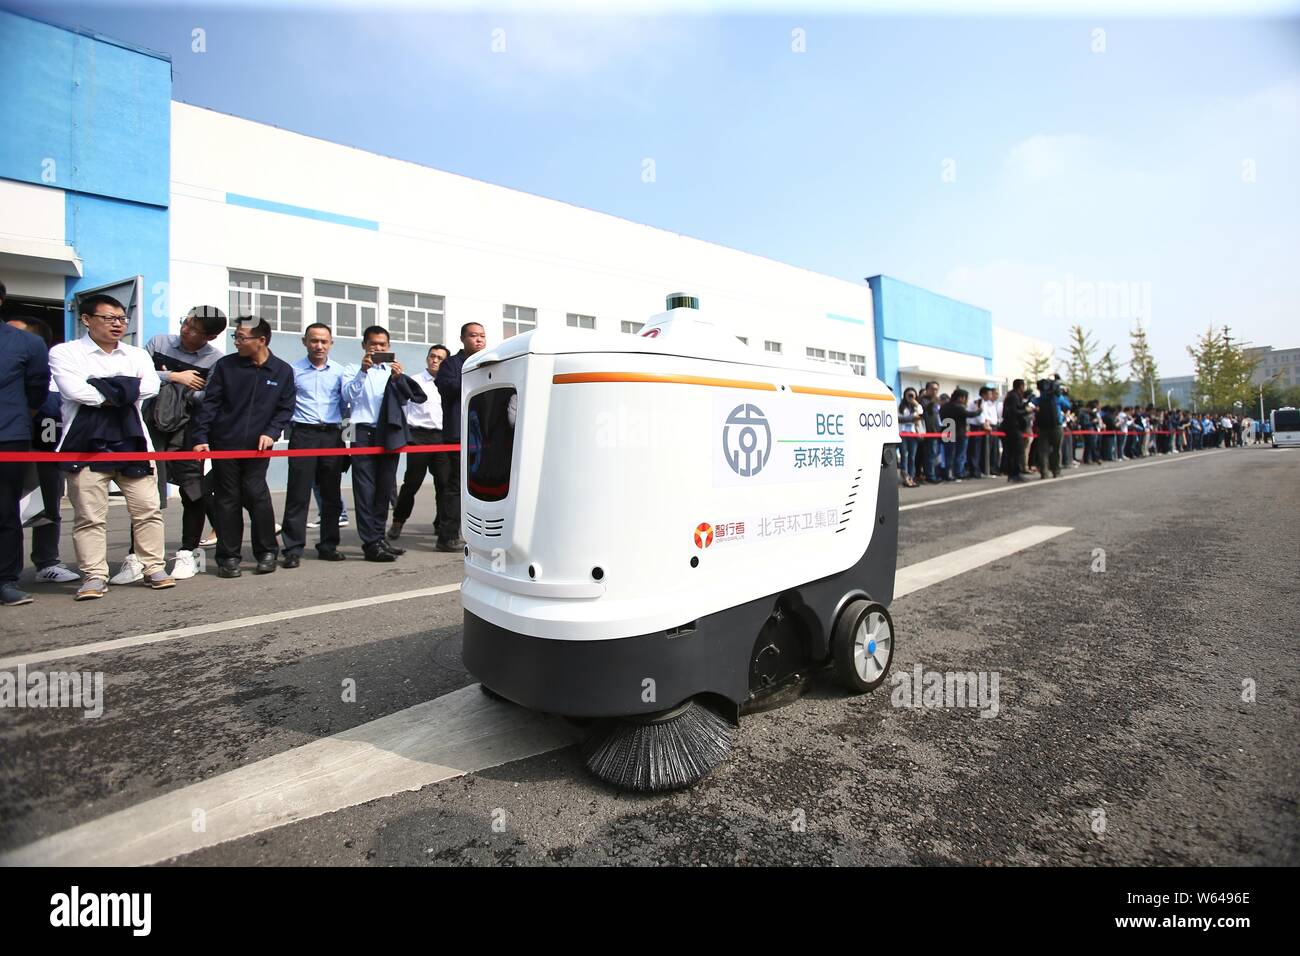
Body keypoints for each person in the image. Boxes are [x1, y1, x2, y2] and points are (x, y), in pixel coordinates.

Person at [49, 294, 174, 598]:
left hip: (133, 442)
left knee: (147, 510)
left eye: (121, 319)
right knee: (90, 515)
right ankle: (93, 575)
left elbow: (150, 387)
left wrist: (102, 386)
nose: (117, 324)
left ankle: (153, 567)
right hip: (85, 444)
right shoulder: (65, 353)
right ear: (87, 320)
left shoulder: (135, 354)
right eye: (109, 318)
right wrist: (123, 389)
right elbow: (76, 391)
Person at [110, 305, 228, 583]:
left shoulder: (215, 360)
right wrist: (174, 377)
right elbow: (138, 378)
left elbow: (208, 398)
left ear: (209, 337)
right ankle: (138, 557)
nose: (185, 330)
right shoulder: (159, 343)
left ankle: (189, 551)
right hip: (149, 427)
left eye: (194, 329)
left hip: (187, 431)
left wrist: (183, 391)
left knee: (193, 492)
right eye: (185, 323)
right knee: (144, 493)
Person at [192, 318, 295, 578]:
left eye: (241, 337)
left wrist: (271, 433)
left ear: (261, 340)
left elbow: (285, 409)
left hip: (258, 448)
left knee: (256, 494)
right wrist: (201, 437)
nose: (236, 342)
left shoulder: (281, 371)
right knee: (227, 499)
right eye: (235, 337)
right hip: (225, 443)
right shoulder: (226, 366)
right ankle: (228, 557)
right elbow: (210, 404)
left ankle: (267, 551)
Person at [7, 317, 81, 586]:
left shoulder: (58, 375)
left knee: (47, 509)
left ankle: (47, 561)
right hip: (11, 448)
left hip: (45, 454)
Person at [279, 322, 353, 567]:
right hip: (303, 435)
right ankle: (292, 548)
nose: (319, 345)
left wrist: (346, 441)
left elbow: (346, 408)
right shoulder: (293, 371)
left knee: (331, 493)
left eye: (324, 341)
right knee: (298, 493)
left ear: (331, 343)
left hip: (332, 436)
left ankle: (329, 545)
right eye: (314, 340)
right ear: (305, 342)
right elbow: (286, 403)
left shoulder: (340, 372)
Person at [344, 325, 409, 562]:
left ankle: (380, 538)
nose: (378, 348)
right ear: (364, 345)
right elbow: (347, 398)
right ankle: (370, 543)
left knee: (384, 489)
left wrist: (399, 379)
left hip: (388, 432)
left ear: (388, 347)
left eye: (383, 345)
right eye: (373, 344)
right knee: (365, 490)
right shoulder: (352, 369)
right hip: (362, 432)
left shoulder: (391, 372)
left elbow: (406, 402)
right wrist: (363, 372)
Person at [1, 311, 52, 606]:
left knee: (5, 511)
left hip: (7, 436)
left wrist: (19, 418)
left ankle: (5, 580)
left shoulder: (26, 344)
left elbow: (37, 390)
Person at [390, 344, 452, 539]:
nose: (435, 360)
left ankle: (441, 523)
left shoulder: (449, 383)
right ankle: (398, 521)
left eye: (440, 358)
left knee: (444, 483)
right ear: (427, 358)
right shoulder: (414, 381)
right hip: (419, 437)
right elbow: (404, 409)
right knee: (412, 482)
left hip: (442, 437)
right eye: (432, 356)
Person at [434, 322, 486, 551]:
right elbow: (446, 387)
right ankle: (446, 536)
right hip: (457, 434)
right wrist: (475, 376)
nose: (479, 340)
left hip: (482, 435)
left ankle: (476, 532)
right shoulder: (451, 365)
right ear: (463, 338)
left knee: (480, 486)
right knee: (455, 486)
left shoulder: (488, 362)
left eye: (482, 336)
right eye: (474, 336)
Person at [939, 388, 980, 482]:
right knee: (959, 455)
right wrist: (979, 410)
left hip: (947, 432)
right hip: (959, 433)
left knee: (948, 455)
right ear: (961, 398)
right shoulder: (958, 407)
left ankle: (947, 474)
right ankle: (958, 473)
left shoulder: (944, 406)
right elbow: (970, 414)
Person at [1000, 379, 1029, 483]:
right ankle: (1015, 473)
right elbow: (1014, 411)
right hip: (1013, 426)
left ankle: (1013, 473)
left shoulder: (1012, 396)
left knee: (1013, 451)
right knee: (1017, 451)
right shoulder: (1014, 396)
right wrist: (1026, 411)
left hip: (1013, 426)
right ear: (1020, 386)